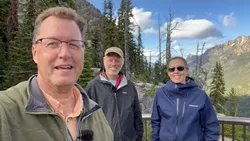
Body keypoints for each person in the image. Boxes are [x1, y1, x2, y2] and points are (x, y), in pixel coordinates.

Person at [0, 7, 113, 141]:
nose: (65, 53)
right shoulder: (5, 111)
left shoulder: (97, 115)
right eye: (52, 43)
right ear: (35, 53)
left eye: (74, 44)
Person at [151, 56, 219, 141]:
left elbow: (211, 124)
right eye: (172, 69)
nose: (176, 71)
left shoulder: (200, 95)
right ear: (168, 73)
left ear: (186, 71)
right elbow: (156, 122)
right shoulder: (161, 93)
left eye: (180, 68)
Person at [85, 47, 144, 141]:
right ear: (104, 61)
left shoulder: (129, 86)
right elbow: (85, 118)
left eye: (117, 60)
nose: (113, 64)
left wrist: (138, 137)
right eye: (110, 60)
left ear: (122, 62)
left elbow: (137, 115)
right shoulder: (93, 86)